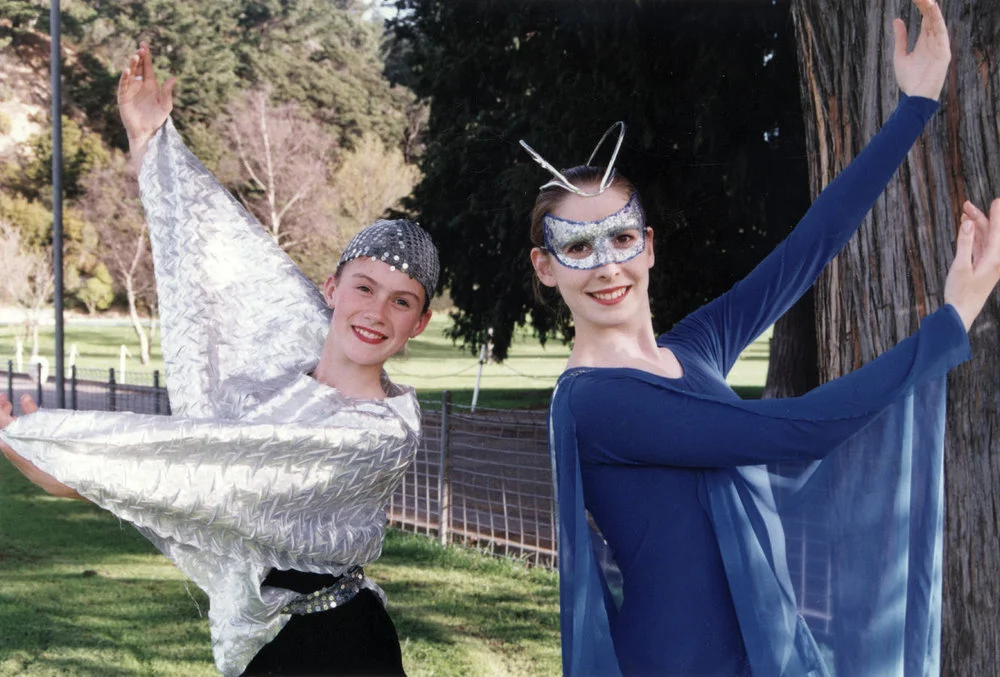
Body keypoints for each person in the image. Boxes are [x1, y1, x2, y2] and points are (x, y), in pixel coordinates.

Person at [522, 0, 1000, 675]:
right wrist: (950, 322)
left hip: (756, 651)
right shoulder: (594, 403)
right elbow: (800, 429)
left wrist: (914, 107)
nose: (607, 265)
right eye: (577, 245)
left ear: (648, 245)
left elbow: (808, 249)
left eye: (621, 236)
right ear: (545, 266)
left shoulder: (695, 349)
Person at [0, 43, 439, 677]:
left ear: (419, 324)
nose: (376, 312)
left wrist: (69, 461)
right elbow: (217, 255)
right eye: (364, 288)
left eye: (402, 302)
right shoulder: (286, 377)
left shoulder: (379, 435)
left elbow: (215, 472)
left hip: (340, 650)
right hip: (271, 644)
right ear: (331, 289)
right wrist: (150, 141)